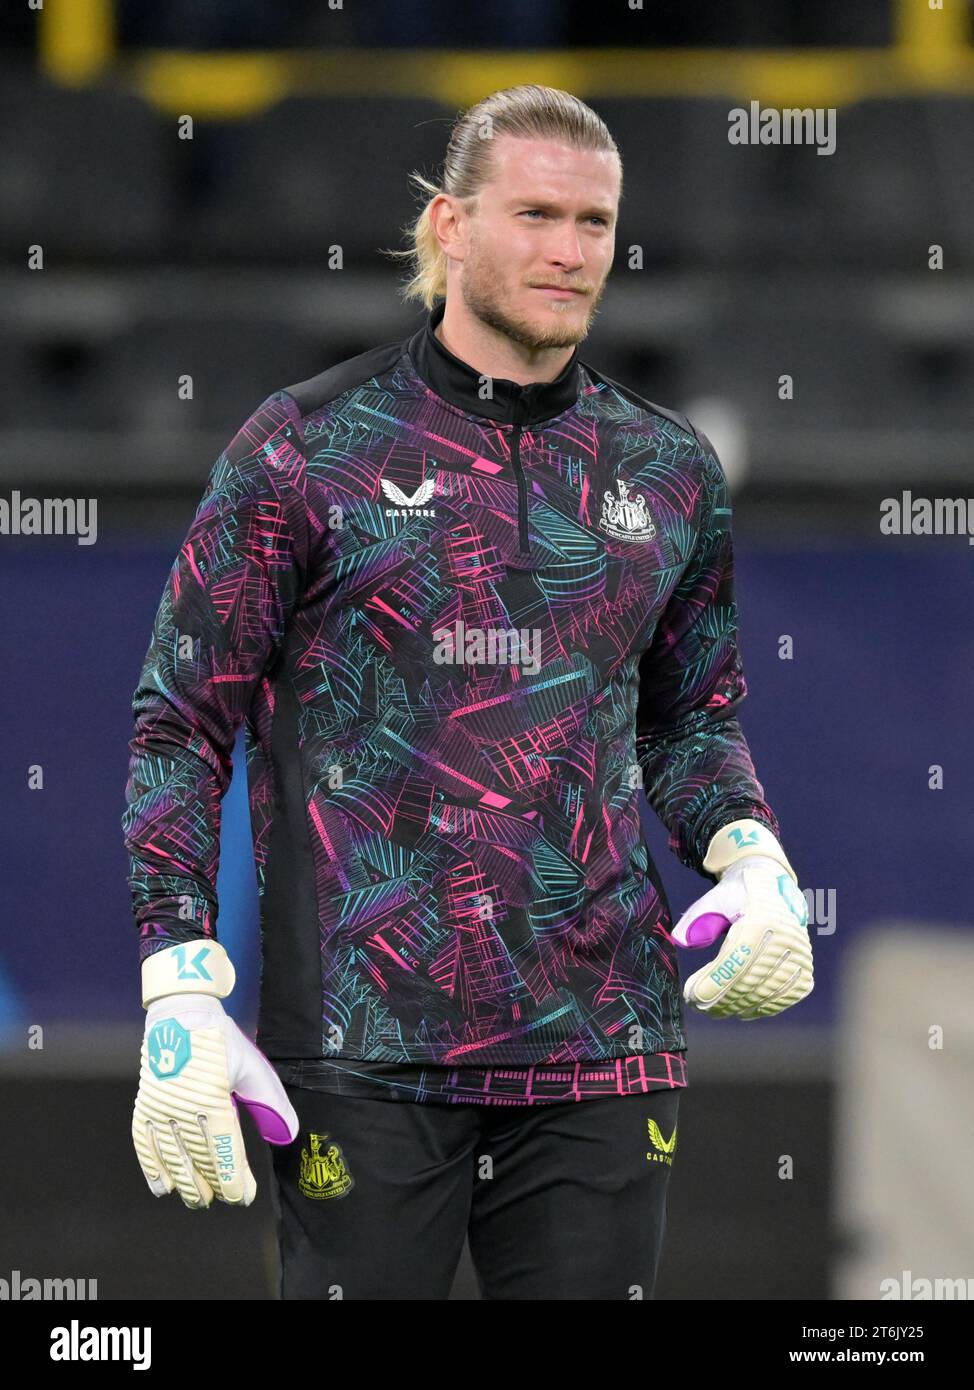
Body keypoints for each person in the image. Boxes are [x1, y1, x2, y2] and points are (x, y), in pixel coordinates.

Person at [123, 84, 814, 1301]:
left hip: (602, 1046)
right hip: (359, 1052)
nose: (568, 251)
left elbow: (691, 721)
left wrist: (750, 859)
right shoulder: (301, 448)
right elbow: (180, 722)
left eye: (594, 222)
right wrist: (174, 972)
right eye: (535, 213)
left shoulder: (667, 469)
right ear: (447, 225)